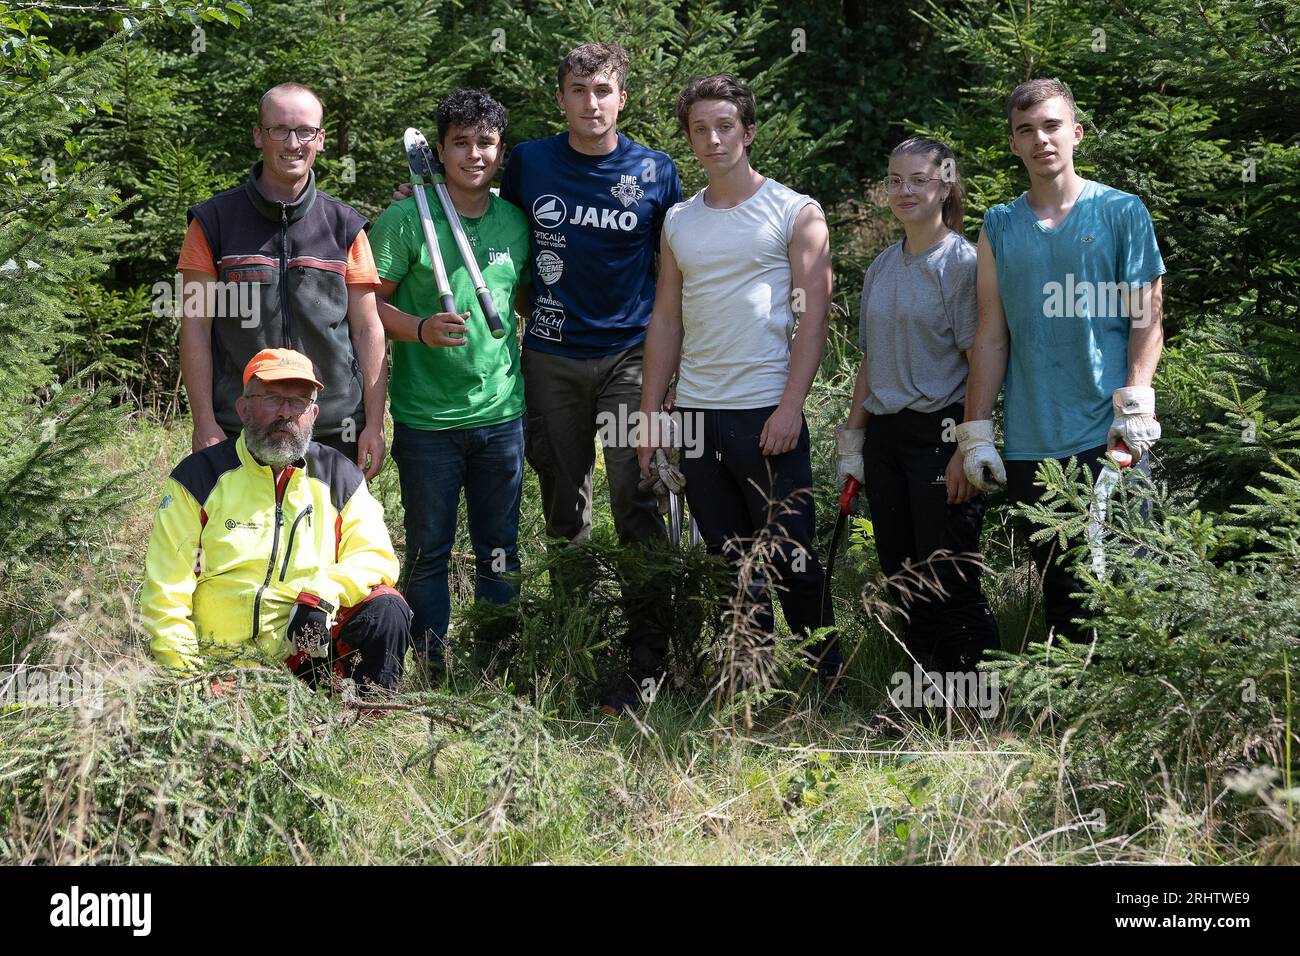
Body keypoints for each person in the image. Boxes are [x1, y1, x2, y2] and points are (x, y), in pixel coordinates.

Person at [638, 73, 837, 713]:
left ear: (748, 131)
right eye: (700, 128)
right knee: (730, 565)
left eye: (725, 126)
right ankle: (752, 689)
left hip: (765, 412)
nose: (713, 138)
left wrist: (790, 407)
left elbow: (814, 317)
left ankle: (824, 683)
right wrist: (651, 415)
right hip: (696, 414)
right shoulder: (679, 221)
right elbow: (667, 319)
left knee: (790, 558)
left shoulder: (795, 211)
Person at [957, 78, 1165, 642]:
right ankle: (1073, 719)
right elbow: (991, 334)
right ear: (1014, 144)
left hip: (1113, 432)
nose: (1041, 139)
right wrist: (976, 430)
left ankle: (1139, 716)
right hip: (1032, 439)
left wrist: (1137, 402)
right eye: (1026, 130)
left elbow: (1148, 318)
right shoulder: (998, 225)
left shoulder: (1122, 211)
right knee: (1062, 590)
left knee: (1127, 581)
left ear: (1075, 132)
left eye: (1051, 126)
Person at [369, 89, 530, 677]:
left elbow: (532, 303)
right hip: (427, 421)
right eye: (459, 143)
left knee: (500, 550)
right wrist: (417, 328)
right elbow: (363, 308)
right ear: (439, 151)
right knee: (430, 551)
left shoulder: (515, 222)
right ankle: (431, 664)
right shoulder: (404, 220)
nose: (473, 154)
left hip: (501, 415)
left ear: (500, 151)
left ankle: (495, 666)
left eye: (484, 142)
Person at [141, 349, 410, 693]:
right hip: (217, 667)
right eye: (271, 399)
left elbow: (376, 557)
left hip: (306, 657)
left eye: (297, 402)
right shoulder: (197, 479)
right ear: (243, 408)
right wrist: (190, 683)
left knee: (387, 607)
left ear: (312, 414)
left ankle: (364, 727)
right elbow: (165, 594)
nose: (285, 413)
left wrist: (322, 593)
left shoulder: (339, 477)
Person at [835, 136, 1000, 682]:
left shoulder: (961, 264)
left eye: (919, 180)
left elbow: (982, 358)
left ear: (945, 183)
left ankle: (978, 702)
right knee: (902, 576)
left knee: (946, 574)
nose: (905, 190)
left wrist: (969, 445)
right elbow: (870, 361)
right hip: (886, 439)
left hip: (943, 433)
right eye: (895, 180)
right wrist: (853, 445)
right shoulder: (883, 265)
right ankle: (923, 698)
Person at [177, 82, 388, 477]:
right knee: (241, 538)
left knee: (331, 539)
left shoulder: (346, 226)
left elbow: (368, 330)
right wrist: (204, 422)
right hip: (240, 427)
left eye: (305, 131)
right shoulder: (212, 223)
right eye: (280, 130)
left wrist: (373, 425)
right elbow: (195, 326)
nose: (293, 142)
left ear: (320, 139)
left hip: (331, 428)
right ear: (259, 136)